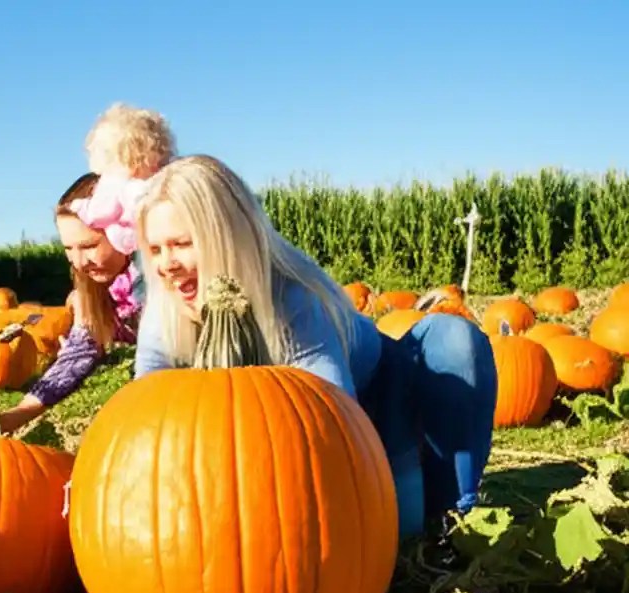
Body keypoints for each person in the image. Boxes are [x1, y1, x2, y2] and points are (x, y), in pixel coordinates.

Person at [132, 155, 497, 538]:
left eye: (182, 244)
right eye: (155, 249)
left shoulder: (294, 300)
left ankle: (454, 511)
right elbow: (143, 415)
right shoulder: (164, 312)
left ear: (229, 236)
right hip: (272, 423)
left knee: (402, 535)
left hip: (376, 400)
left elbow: (331, 425)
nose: (166, 264)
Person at [0, 102, 176, 432]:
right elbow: (78, 354)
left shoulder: (163, 267)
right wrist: (20, 412)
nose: (80, 261)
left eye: (90, 246)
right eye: (69, 249)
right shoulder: (91, 292)